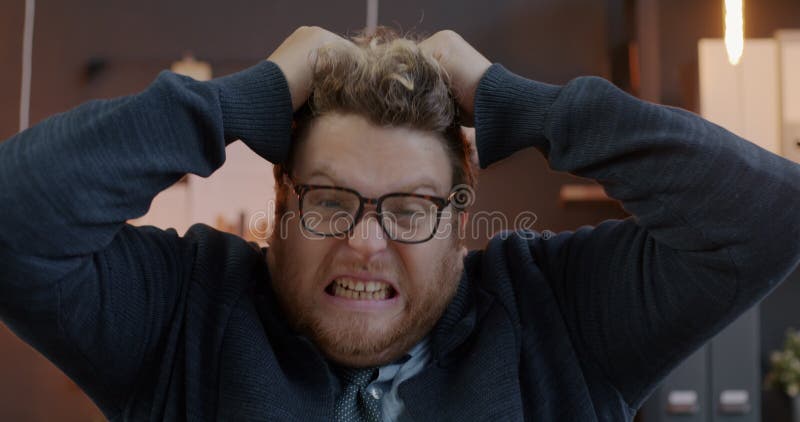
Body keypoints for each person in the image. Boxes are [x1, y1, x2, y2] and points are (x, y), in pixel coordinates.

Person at [0, 25, 798, 422]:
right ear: (283, 199)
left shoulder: (558, 320)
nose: (365, 241)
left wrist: (521, 103)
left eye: (409, 209)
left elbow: (769, 216)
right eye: (330, 200)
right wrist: (247, 97)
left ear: (459, 215)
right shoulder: (183, 315)